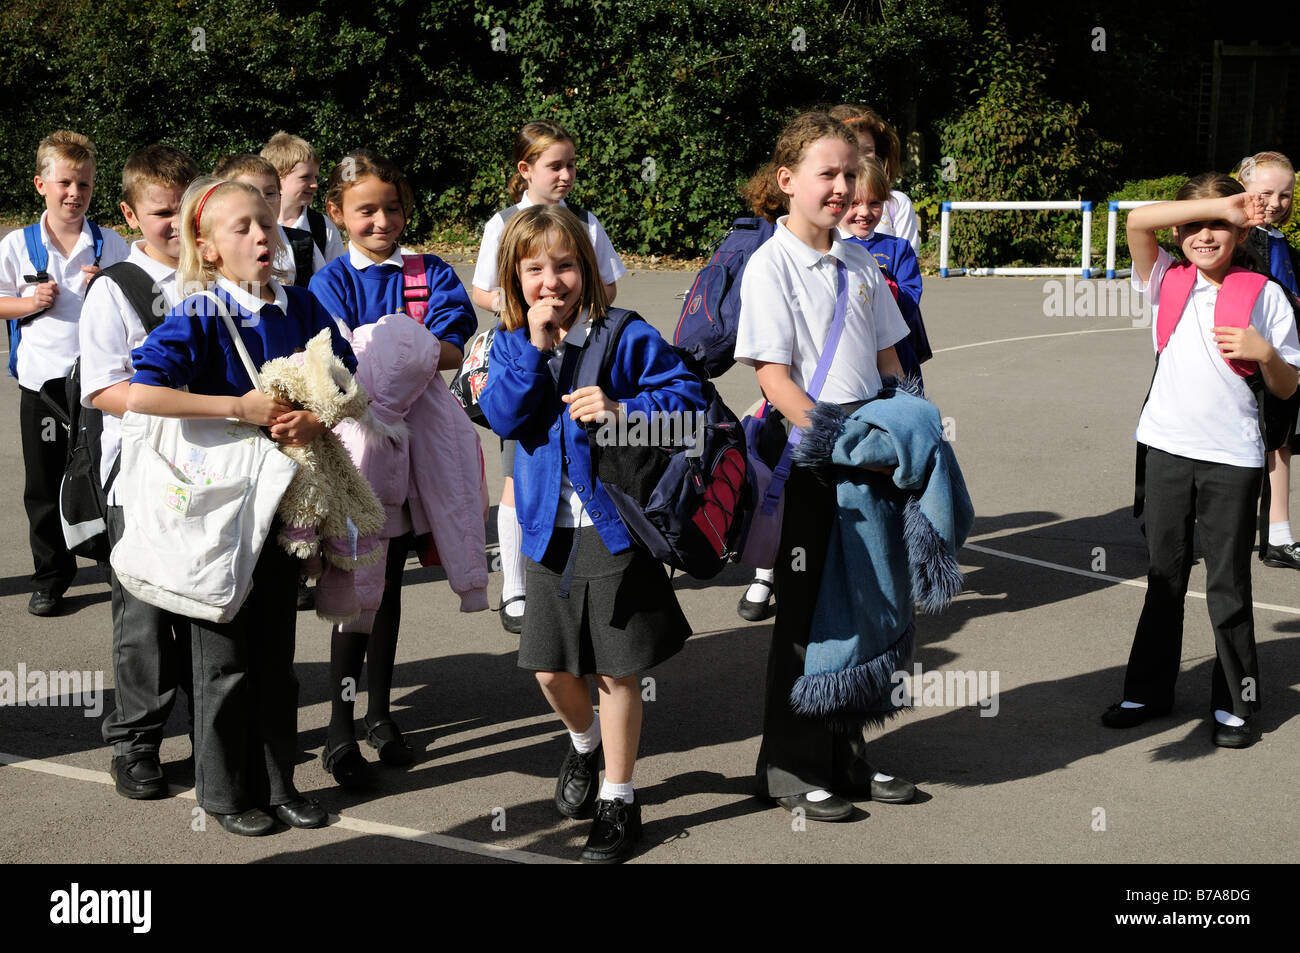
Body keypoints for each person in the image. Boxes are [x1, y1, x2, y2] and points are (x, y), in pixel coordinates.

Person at [128, 176, 356, 834]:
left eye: (268, 223)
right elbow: (143, 393)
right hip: (215, 513)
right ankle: (226, 793)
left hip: (282, 507)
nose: (262, 236)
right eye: (242, 228)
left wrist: (316, 419)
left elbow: (344, 376)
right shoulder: (197, 310)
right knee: (222, 661)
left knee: (274, 658)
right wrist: (237, 407)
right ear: (206, 245)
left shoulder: (302, 304)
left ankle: (280, 781)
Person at [479, 204, 700, 862]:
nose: (553, 280)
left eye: (567, 264)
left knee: (615, 670)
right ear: (514, 278)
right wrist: (537, 348)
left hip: (612, 524)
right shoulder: (514, 341)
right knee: (550, 668)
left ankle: (619, 794)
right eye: (535, 268)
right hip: (548, 528)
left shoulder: (623, 333)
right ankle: (585, 745)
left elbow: (687, 398)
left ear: (590, 269)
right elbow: (503, 416)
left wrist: (625, 408)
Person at [734, 111, 916, 822]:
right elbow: (774, 378)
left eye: (849, 174)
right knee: (807, 619)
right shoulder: (770, 265)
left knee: (864, 611)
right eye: (826, 175)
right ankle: (788, 764)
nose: (841, 188)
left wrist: (910, 429)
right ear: (786, 182)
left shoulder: (862, 261)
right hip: (812, 465)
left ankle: (847, 753)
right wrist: (836, 439)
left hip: (871, 461)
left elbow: (890, 363)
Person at [1102, 173, 1300, 749]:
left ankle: (1237, 702)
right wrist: (1222, 205)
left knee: (1228, 584)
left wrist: (1265, 356)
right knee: (1163, 576)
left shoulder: (1265, 294)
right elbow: (1137, 220)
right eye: (1191, 224)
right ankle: (1147, 689)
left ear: (1241, 232)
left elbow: (1289, 388)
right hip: (1164, 449)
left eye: (1219, 225)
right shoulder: (1165, 277)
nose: (1204, 235)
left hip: (1232, 459)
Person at [308, 149, 478, 787]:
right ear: (337, 213)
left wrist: (394, 351)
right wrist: (398, 351)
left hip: (418, 450)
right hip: (358, 455)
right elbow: (328, 362)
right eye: (366, 210)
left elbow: (452, 348)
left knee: (393, 590)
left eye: (393, 207)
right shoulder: (331, 282)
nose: (382, 220)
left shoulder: (428, 270)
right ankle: (338, 727)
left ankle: (380, 714)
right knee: (357, 594)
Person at [471, 120, 626, 635]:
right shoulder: (503, 223)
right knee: (518, 474)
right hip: (524, 358)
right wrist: (524, 310)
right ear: (525, 170)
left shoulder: (586, 221)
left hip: (579, 356)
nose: (566, 175)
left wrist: (576, 312)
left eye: (571, 165)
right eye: (554, 165)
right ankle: (514, 586)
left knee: (580, 466)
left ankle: (588, 560)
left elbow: (607, 285)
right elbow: (483, 290)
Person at [80, 144, 198, 799]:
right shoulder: (116, 288)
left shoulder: (215, 279)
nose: (178, 222)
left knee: (210, 607)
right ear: (128, 213)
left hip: (212, 476)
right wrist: (191, 401)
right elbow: (102, 390)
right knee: (146, 619)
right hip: (141, 480)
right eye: (162, 212)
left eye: (187, 208)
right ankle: (135, 741)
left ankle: (214, 729)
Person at [0, 129, 129, 617]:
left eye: (85, 185)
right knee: (44, 482)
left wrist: (110, 283)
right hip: (44, 386)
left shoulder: (110, 242)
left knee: (106, 472)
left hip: (99, 384)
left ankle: (115, 560)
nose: (75, 193)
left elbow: (134, 303)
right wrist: (26, 302)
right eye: (65, 184)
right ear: (41, 184)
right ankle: (51, 576)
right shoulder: (18, 245)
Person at [1235, 152, 1300, 570]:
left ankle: (1278, 536)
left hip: (1282, 357)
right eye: (1265, 193)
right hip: (1243, 357)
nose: (1276, 202)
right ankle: (1185, 527)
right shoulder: (1233, 238)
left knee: (1280, 442)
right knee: (1236, 445)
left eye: (1286, 195)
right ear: (1242, 188)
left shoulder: (1281, 242)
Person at [839, 156, 927, 382]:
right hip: (846, 353)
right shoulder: (827, 246)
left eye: (875, 203)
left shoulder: (898, 248)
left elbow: (910, 297)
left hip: (895, 349)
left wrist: (882, 290)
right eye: (854, 203)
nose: (865, 212)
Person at [828, 104, 919, 252]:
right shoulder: (823, 202)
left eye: (867, 150)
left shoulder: (896, 203)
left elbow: (908, 260)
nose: (860, 158)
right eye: (851, 151)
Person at [262, 131, 345, 262]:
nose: (315, 185)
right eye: (305, 177)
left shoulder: (323, 228)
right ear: (277, 178)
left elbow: (337, 277)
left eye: (316, 177)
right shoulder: (255, 225)